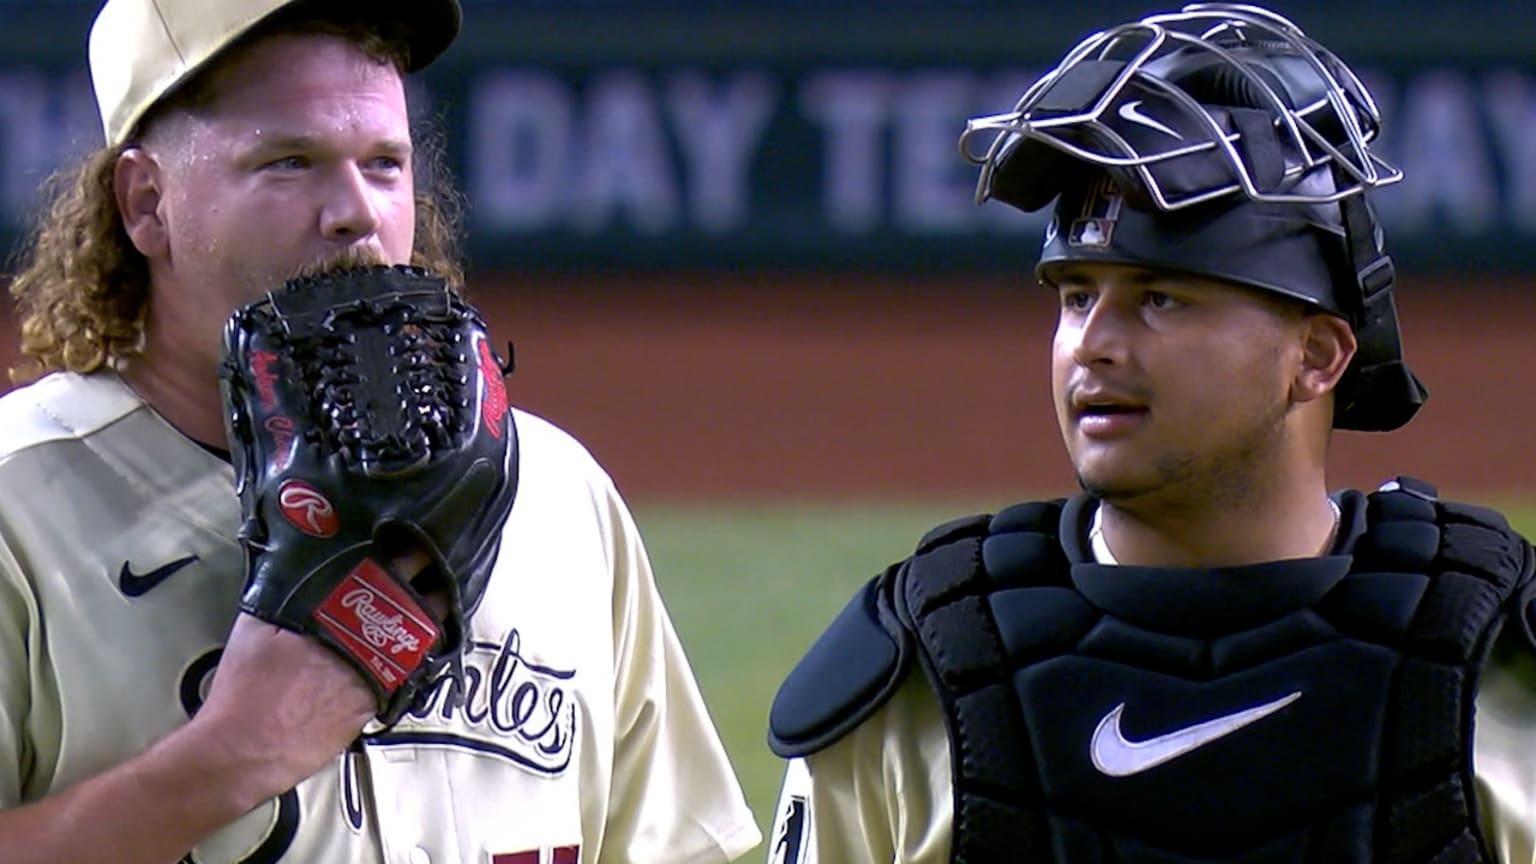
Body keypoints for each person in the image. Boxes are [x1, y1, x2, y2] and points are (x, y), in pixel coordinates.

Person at [764, 4, 1536, 863]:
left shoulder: (1498, 680)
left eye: (1161, 298)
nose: (1092, 343)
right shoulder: (924, 681)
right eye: (1075, 295)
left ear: (1318, 356)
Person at [0, 0, 762, 862]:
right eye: (290, 163)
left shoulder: (554, 495)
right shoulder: (18, 509)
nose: (356, 214)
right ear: (146, 203)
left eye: (385, 164)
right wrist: (218, 766)